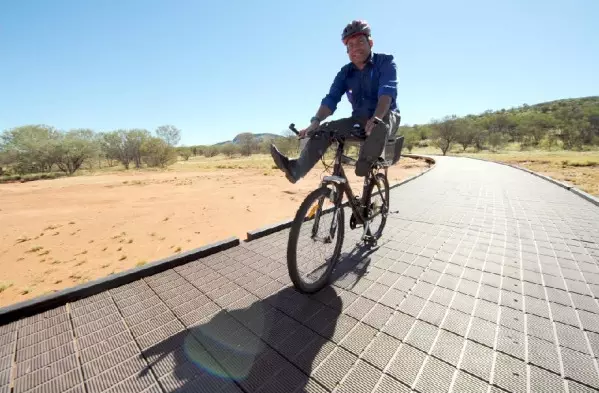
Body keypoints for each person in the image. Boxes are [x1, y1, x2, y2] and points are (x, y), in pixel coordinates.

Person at [270, 19, 401, 184]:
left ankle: (366, 166)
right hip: (359, 120)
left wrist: (376, 118)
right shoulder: (345, 73)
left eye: (360, 42)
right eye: (350, 46)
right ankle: (296, 169)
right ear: (347, 51)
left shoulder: (385, 62)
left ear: (371, 42)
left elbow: (386, 93)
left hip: (386, 115)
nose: (355, 48)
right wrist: (315, 122)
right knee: (325, 130)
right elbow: (331, 99)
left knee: (379, 127)